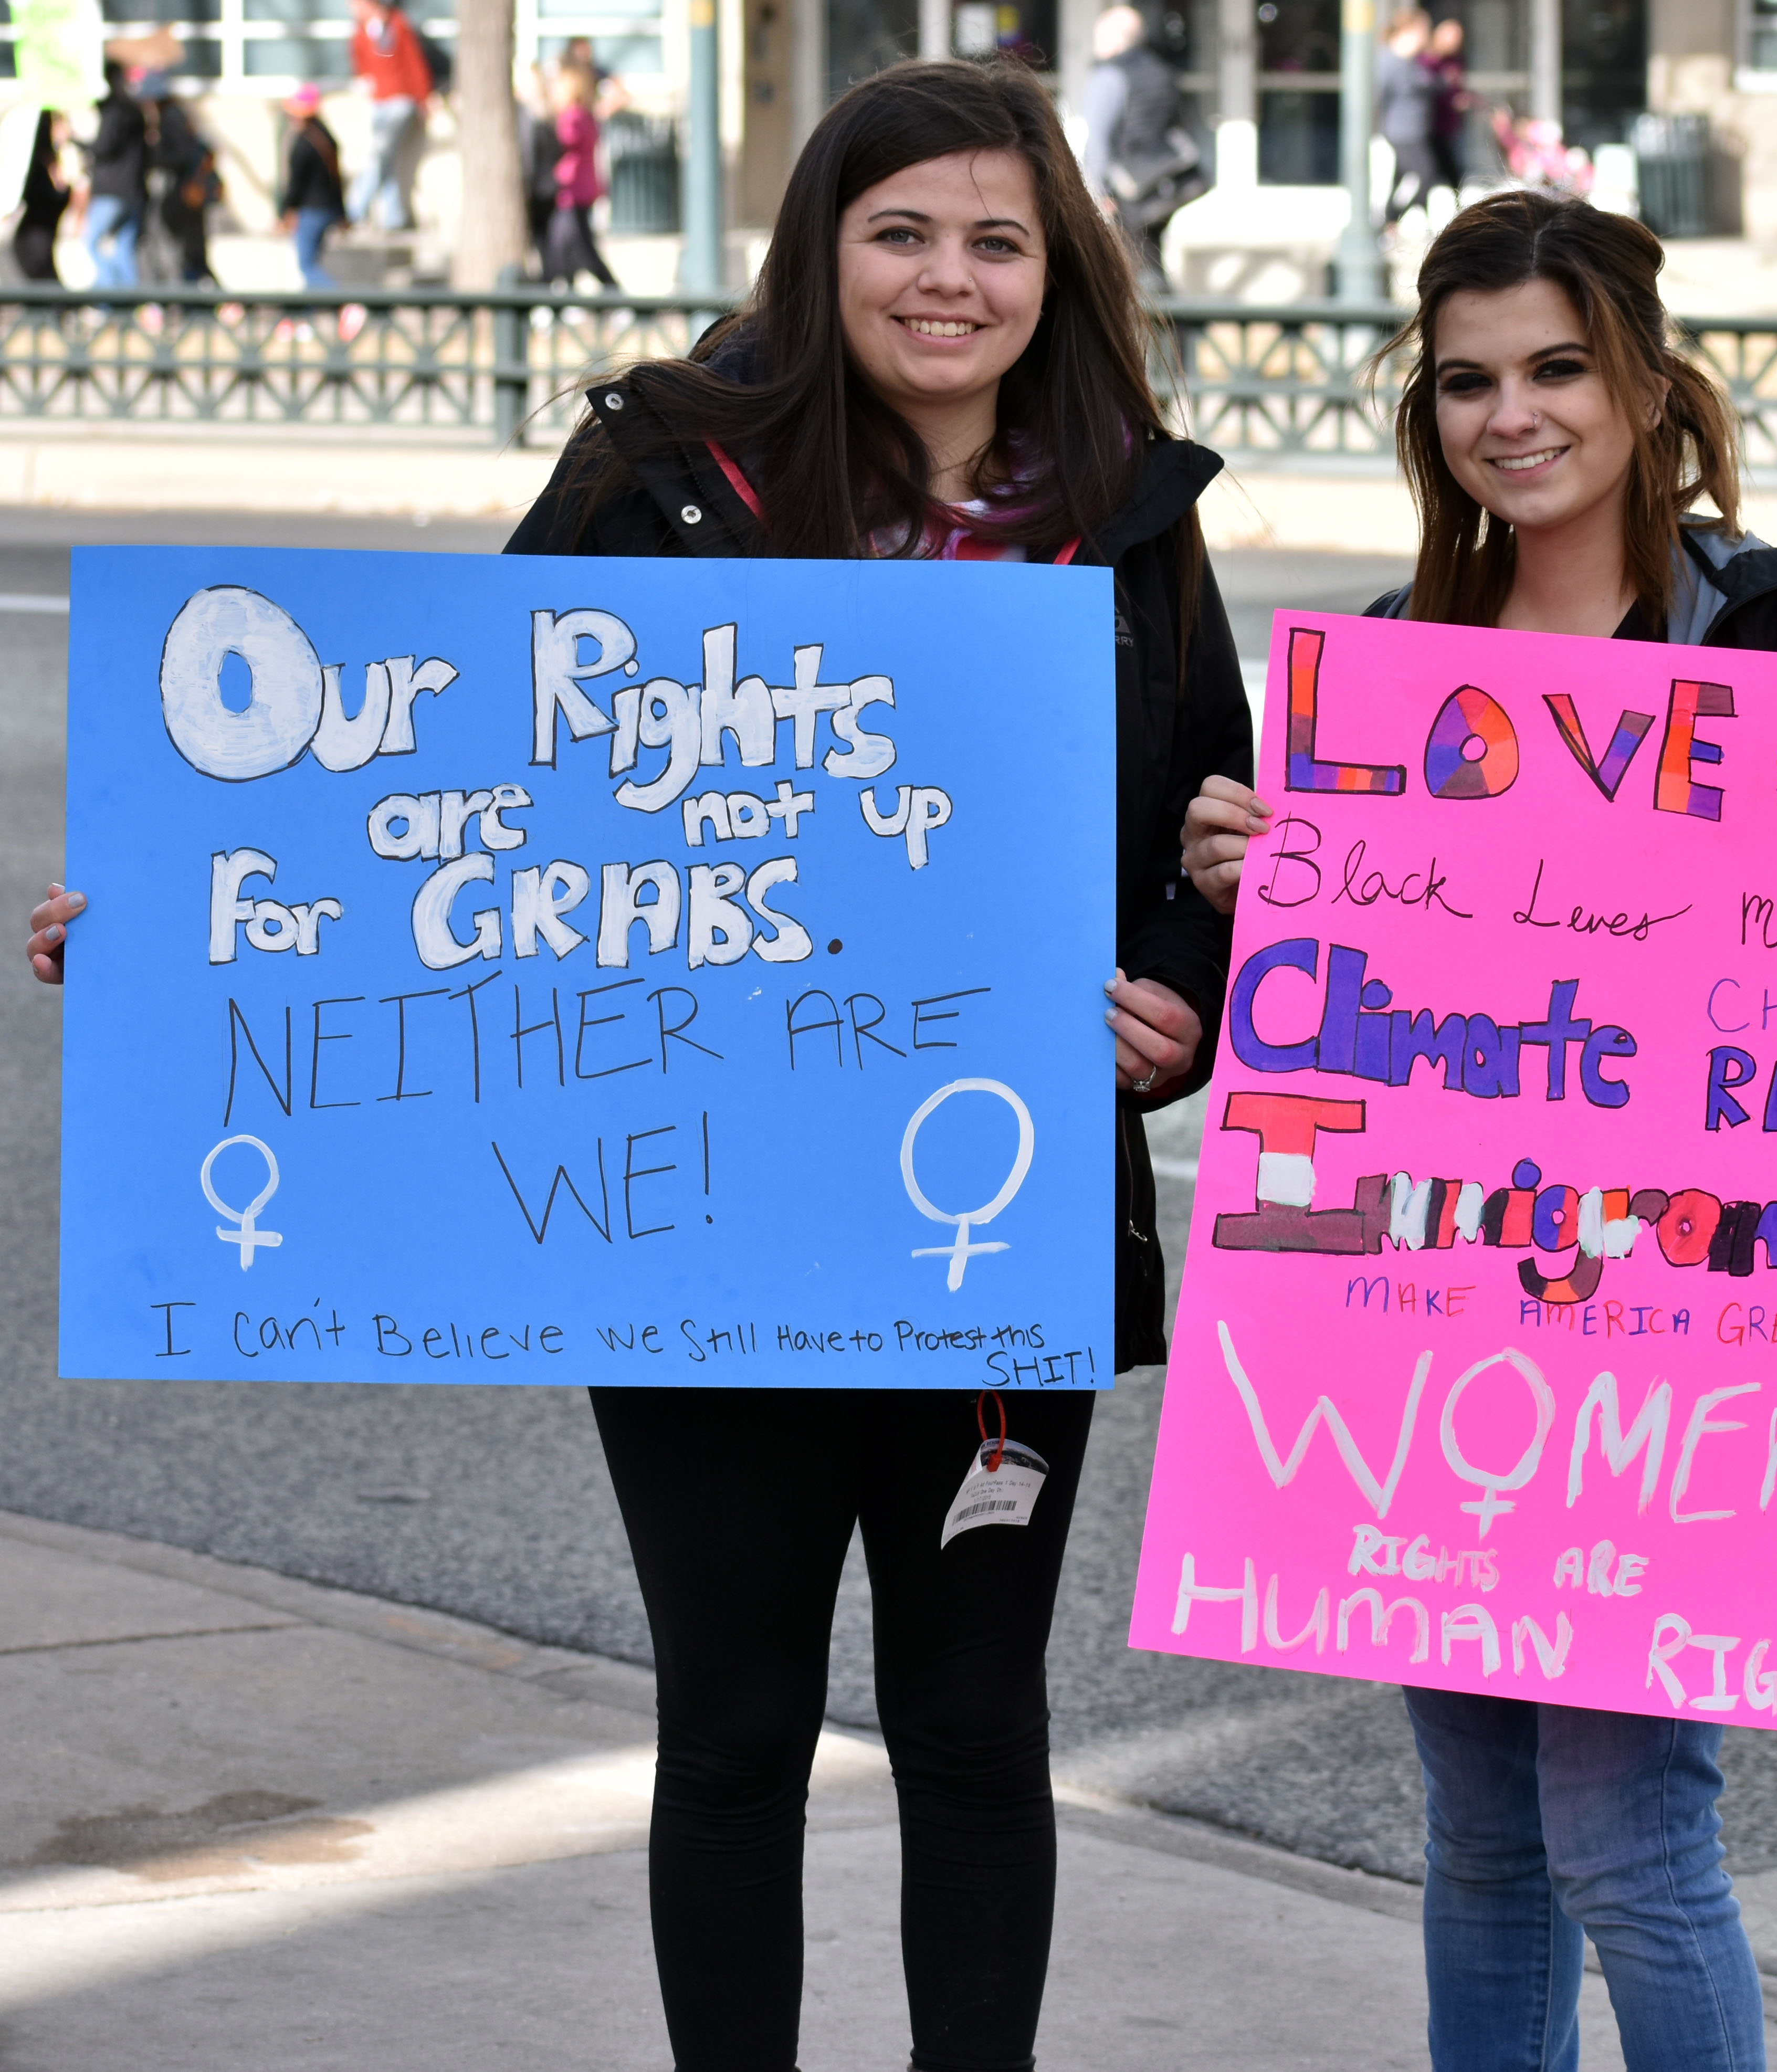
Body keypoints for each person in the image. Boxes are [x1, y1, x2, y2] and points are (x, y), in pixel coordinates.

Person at [24, 54, 1252, 2072]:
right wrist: (176, 931)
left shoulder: (1129, 525)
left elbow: (1206, 841)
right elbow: (438, 774)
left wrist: (1172, 1001)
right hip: (703, 1213)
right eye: (901, 234)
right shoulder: (667, 478)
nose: (948, 279)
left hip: (988, 1227)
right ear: (821, 248)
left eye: (995, 241)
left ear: (1057, 268)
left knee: (970, 1724)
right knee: (740, 1720)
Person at [1174, 191, 1777, 2072]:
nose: (1516, 412)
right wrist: (1247, 872)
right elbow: (1346, 992)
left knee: (1631, 1835)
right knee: (1486, 1834)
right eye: (1471, 380)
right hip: (1432, 1338)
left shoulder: (1767, 624)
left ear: (1648, 381)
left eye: (1558, 366)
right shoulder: (1398, 661)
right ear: (1430, 413)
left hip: (1667, 1345)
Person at [1081, 2, 1201, 288]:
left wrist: (1097, 192)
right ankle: (1172, 330)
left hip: (1129, 190)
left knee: (1136, 271)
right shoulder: (1163, 73)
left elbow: (1098, 140)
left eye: (1100, 36)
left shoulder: (1109, 76)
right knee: (1151, 260)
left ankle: (1162, 331)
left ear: (1116, 39)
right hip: (1165, 186)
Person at [348, 0, 431, 233]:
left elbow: (414, 62)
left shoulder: (397, 25)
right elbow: (361, 64)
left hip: (401, 102)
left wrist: (424, 98)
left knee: (380, 155)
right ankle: (394, 217)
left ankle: (355, 209)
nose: (352, 9)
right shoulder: (360, 32)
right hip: (378, 103)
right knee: (388, 161)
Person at [542, 58, 618, 291]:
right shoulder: (584, 115)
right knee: (567, 246)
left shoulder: (573, 117)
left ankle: (612, 293)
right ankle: (566, 289)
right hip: (578, 192)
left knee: (576, 247)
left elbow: (564, 140)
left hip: (572, 193)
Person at [82, 62, 149, 292]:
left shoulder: (116, 111)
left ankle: (109, 298)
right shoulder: (136, 112)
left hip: (112, 190)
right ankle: (130, 302)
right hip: (134, 191)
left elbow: (104, 147)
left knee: (90, 243)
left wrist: (78, 142)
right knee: (123, 248)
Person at [278, 85, 345, 289]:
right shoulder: (326, 138)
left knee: (307, 266)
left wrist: (285, 212)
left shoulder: (304, 144)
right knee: (312, 264)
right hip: (328, 209)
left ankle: (344, 303)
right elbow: (336, 179)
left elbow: (296, 185)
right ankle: (310, 314)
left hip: (311, 211)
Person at [151, 92, 220, 285]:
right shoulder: (187, 126)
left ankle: (190, 295)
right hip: (190, 198)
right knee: (195, 254)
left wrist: (155, 156)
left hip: (184, 197)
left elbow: (179, 157)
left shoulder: (171, 121)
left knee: (184, 252)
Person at [1378, 6, 1438, 226]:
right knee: (1426, 175)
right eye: (1423, 31)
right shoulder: (1389, 60)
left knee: (1401, 179)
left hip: (1415, 129)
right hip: (1401, 132)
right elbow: (1377, 96)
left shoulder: (1412, 61)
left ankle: (1391, 223)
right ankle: (1392, 218)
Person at [13, 111, 73, 283]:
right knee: (31, 250)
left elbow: (61, 185)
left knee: (36, 251)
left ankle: (54, 302)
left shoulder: (59, 144)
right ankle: (52, 302)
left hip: (48, 201)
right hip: (40, 200)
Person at [1425, 16, 1471, 201]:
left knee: (1454, 172)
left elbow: (1456, 89)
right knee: (1425, 173)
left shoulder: (1455, 61)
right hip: (1429, 126)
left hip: (1448, 126)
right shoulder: (1428, 61)